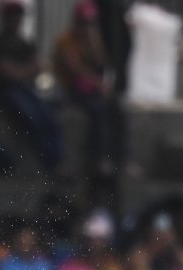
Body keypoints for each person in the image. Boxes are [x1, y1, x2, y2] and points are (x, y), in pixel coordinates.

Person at [0, 0, 63, 172]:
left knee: (49, 117)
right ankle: (49, 161)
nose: (16, 20)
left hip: (24, 89)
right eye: (13, 16)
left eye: (19, 16)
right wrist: (24, 71)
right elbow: (8, 73)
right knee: (32, 119)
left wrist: (22, 71)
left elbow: (38, 67)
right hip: (6, 92)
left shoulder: (23, 43)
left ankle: (57, 160)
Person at [52, 1, 123, 174]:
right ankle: (97, 157)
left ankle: (118, 157)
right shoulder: (66, 40)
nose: (87, 26)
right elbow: (75, 68)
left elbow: (102, 63)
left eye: (90, 23)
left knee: (116, 108)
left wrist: (94, 40)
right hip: (69, 88)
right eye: (84, 22)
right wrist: (99, 83)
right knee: (96, 110)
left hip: (88, 88)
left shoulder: (90, 40)